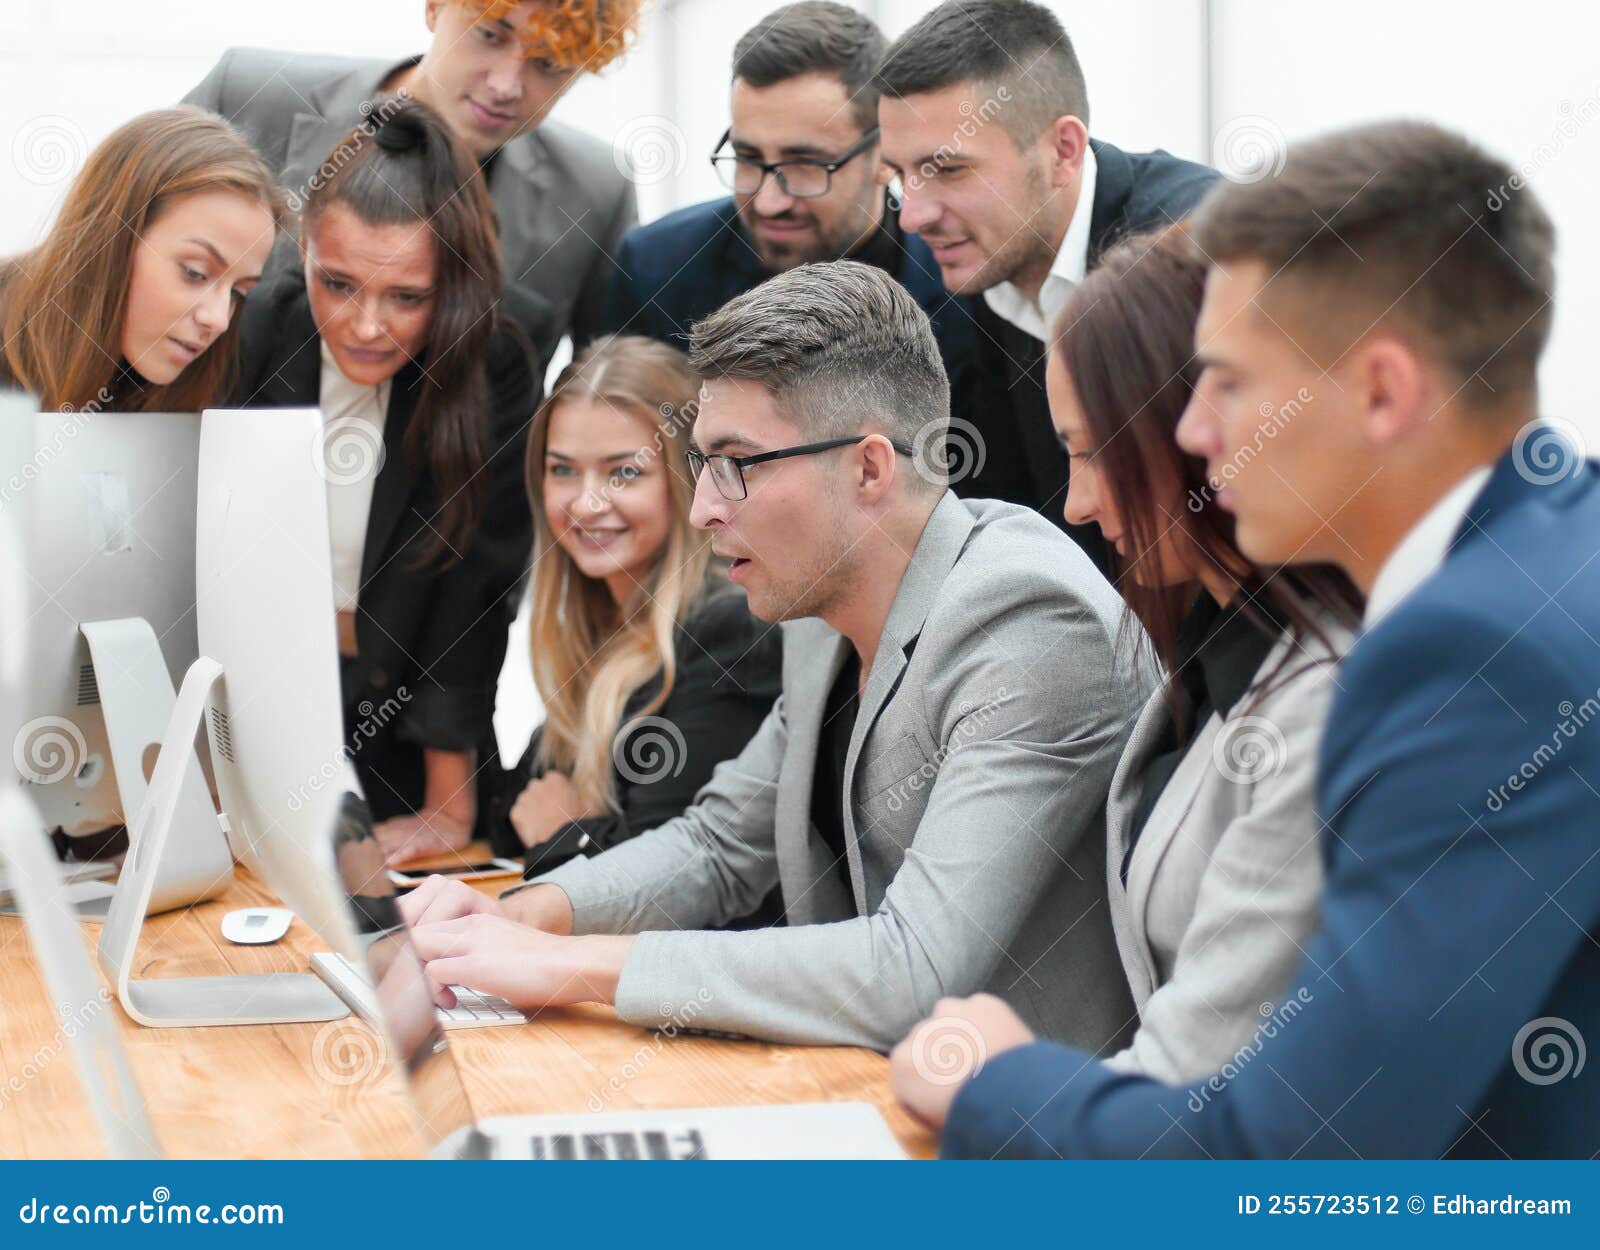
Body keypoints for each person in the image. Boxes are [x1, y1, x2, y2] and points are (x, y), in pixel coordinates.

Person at [894, 120, 1600, 1159]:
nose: (1190, 432)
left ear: (1382, 391)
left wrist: (1001, 1079)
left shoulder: (1472, 653)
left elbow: (1280, 1150)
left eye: (1226, 382)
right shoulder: (1544, 549)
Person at [398, 260, 1147, 1053]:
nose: (703, 509)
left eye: (737, 466)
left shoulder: (1027, 618)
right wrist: (517, 917)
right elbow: (720, 846)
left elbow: (913, 967)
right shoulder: (822, 608)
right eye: (701, 465)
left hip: (1042, 1146)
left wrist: (563, 965)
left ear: (868, 468)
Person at [1049, 224, 1362, 1084]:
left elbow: (1201, 1072)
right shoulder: (1210, 647)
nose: (1075, 502)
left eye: (1093, 451)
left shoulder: (1325, 695)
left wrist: (990, 1081)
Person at [231, 97, 551, 859]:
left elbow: (477, 584)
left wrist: (449, 803)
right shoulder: (254, 328)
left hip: (404, 726)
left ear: (456, 282)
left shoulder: (495, 361)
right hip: (251, 714)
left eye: (407, 297)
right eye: (337, 283)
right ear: (303, 247)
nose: (365, 327)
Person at [875, 0, 1216, 564]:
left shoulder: (1202, 258)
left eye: (949, 170)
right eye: (899, 175)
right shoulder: (941, 289)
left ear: (1063, 151)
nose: (912, 216)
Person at [491, 334, 783, 930]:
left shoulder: (728, 629)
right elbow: (512, 805)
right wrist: (566, 827)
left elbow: (669, 880)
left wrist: (563, 832)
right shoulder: (608, 622)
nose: (586, 502)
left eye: (624, 472)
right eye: (562, 470)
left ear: (685, 480)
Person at [183, 0, 642, 345]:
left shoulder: (595, 194)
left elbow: (606, 400)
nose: (506, 84)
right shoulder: (249, 95)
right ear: (435, 7)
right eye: (489, 35)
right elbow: (121, 267)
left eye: (549, 63)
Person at [604, 2, 976, 396]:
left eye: (805, 164)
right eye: (748, 158)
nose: (768, 201)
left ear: (887, 155)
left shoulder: (969, 291)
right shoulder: (655, 271)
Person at [0, 106, 284, 413]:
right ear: (110, 236)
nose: (218, 321)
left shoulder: (194, 389)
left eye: (238, 292)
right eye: (195, 273)